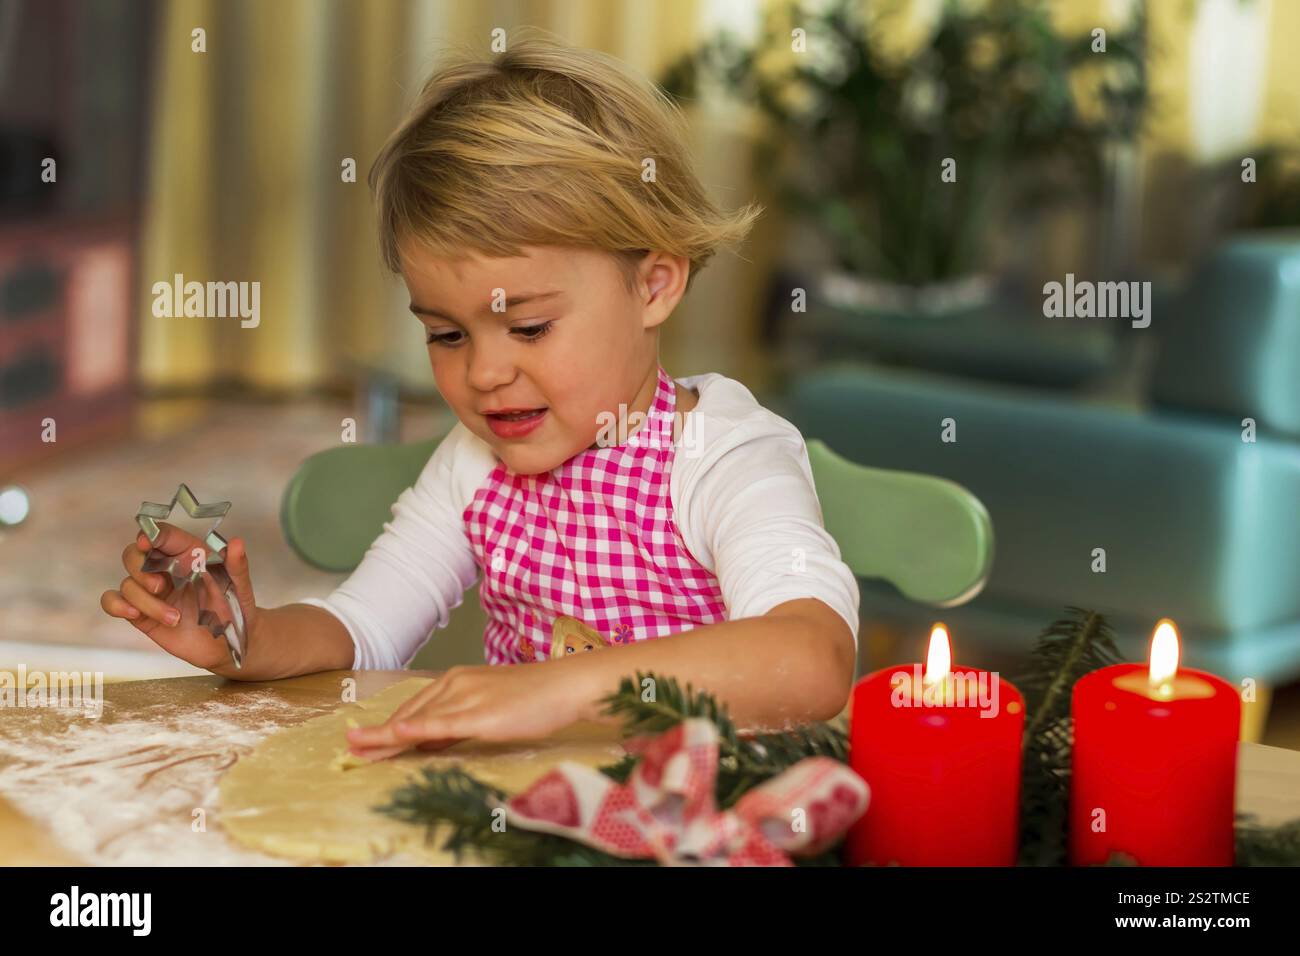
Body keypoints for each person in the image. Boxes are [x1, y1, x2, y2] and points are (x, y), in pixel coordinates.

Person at [103, 30, 860, 760]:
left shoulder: (721, 455)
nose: (485, 375)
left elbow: (811, 656)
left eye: (527, 328)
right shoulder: (475, 463)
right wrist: (249, 639)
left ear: (654, 285)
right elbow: (364, 627)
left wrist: (558, 691)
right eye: (448, 335)